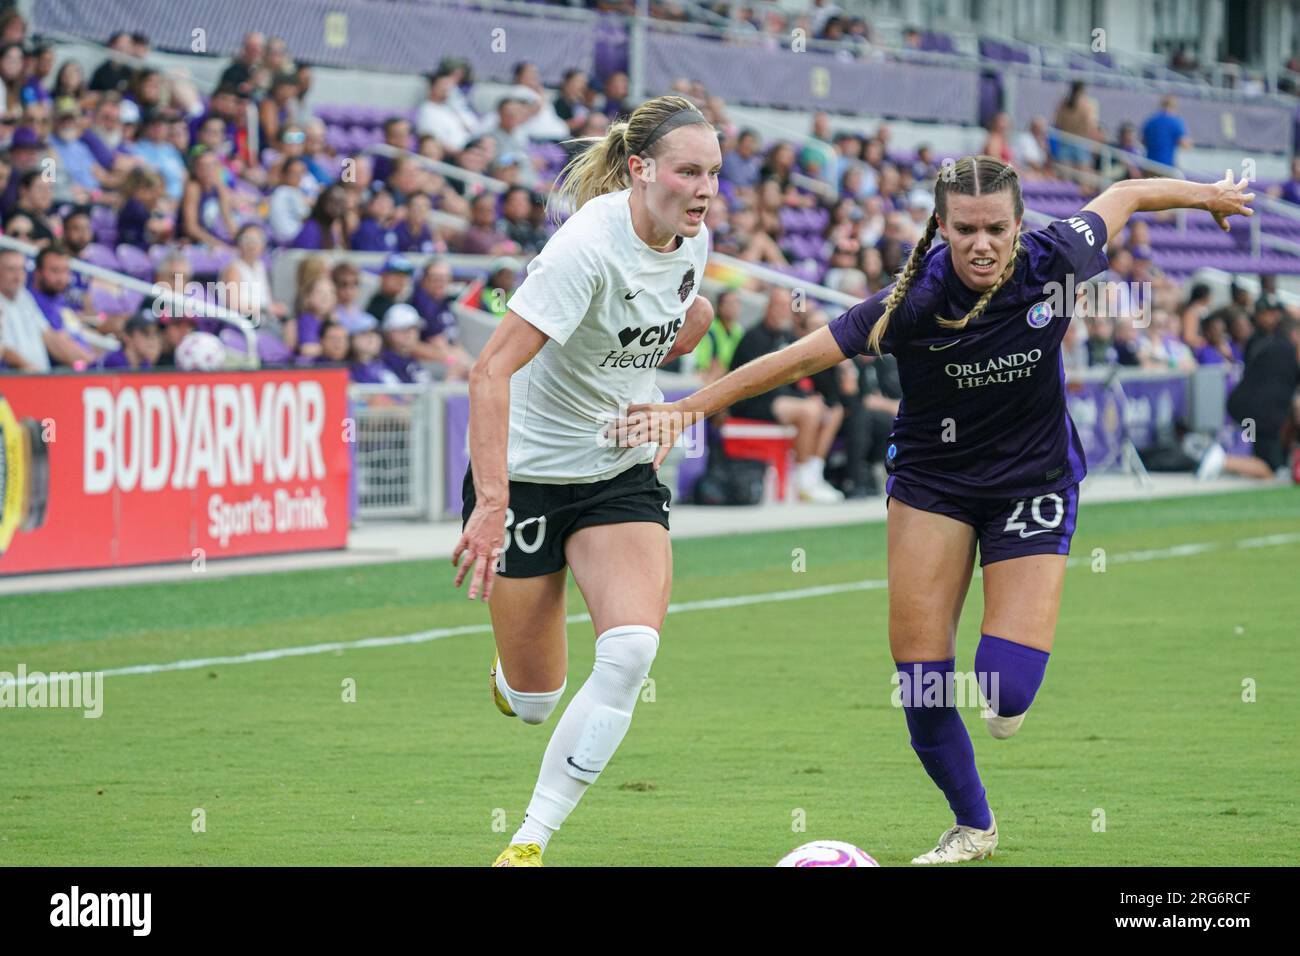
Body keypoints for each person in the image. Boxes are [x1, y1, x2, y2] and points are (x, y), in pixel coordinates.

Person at [612, 156, 1255, 863]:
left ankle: (1003, 706)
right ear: (940, 227)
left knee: (1006, 695)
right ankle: (973, 826)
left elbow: (1128, 191)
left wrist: (1208, 196)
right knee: (920, 679)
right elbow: (798, 359)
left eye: (998, 229)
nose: (983, 244)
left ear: (1020, 226)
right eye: (966, 229)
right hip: (933, 483)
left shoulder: (1061, 254)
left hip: (1032, 482)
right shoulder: (912, 301)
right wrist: (688, 407)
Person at [451, 95, 718, 867]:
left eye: (713, 174)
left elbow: (688, 312)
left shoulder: (691, 241)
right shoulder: (583, 250)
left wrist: (651, 401)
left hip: (616, 477)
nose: (703, 190)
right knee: (536, 702)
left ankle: (530, 840)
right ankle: (513, 680)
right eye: (687, 172)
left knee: (630, 653)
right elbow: (488, 370)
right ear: (639, 170)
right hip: (529, 481)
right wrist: (491, 504)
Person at [727, 286, 846, 502]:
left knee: (832, 409)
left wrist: (805, 396)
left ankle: (814, 473)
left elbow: (794, 379)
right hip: (753, 402)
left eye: (786, 306)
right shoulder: (753, 337)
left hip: (778, 399)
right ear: (768, 307)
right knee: (809, 411)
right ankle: (802, 480)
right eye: (778, 305)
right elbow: (759, 383)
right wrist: (802, 400)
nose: (782, 311)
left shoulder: (786, 336)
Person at [1141, 95, 1190, 170]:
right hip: (1166, 167)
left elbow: (1143, 141)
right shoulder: (1176, 122)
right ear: (1174, 106)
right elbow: (1185, 144)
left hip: (1149, 165)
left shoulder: (1150, 121)